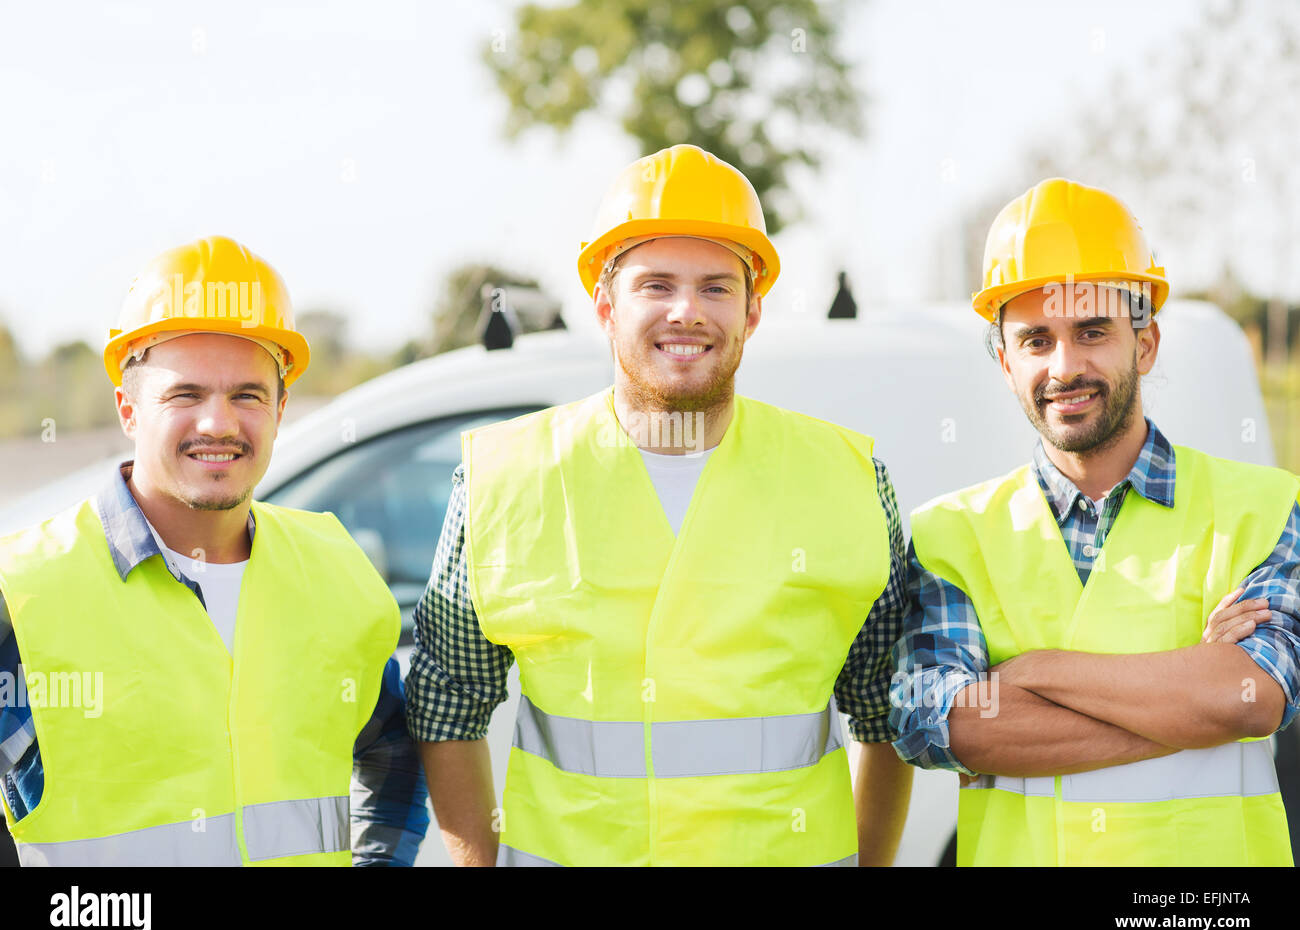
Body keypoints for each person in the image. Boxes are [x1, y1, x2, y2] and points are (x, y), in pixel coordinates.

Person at [409, 144, 914, 866]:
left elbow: (884, 711)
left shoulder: (851, 478)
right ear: (606, 307)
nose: (687, 312)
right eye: (656, 285)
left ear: (754, 310)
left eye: (716, 287)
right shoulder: (504, 479)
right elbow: (446, 704)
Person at [890, 178, 1300, 865]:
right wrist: (1190, 702)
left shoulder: (1264, 508)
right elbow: (950, 728)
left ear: (1145, 344)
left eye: (1091, 332)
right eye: (1035, 340)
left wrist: (1030, 671)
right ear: (1004, 362)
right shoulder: (948, 536)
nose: (1065, 367)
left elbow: (1250, 697)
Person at [0, 236, 428, 865]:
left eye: (247, 395)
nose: (218, 424)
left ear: (281, 408)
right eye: (186, 394)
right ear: (128, 408)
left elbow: (392, 753)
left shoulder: (335, 571)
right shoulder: (25, 591)